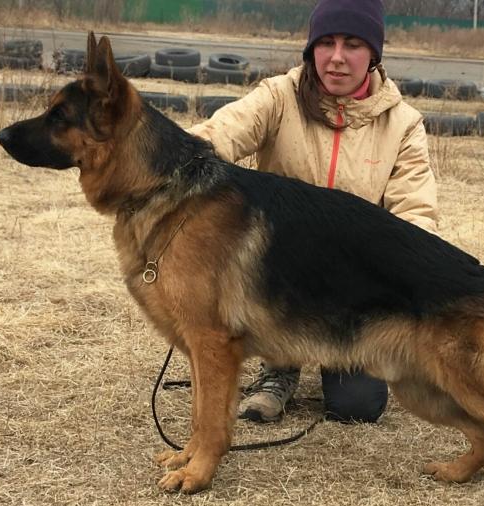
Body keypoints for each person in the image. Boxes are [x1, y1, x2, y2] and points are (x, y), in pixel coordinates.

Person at [188, 0, 439, 424]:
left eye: (352, 44)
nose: (336, 58)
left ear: (374, 54)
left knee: (357, 408)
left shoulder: (404, 123)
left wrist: (406, 292)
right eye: (326, 43)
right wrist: (172, 158)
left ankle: (340, 353)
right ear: (310, 50)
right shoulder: (278, 96)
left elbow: (416, 212)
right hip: (279, 274)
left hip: (353, 283)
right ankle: (278, 369)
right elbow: (219, 134)